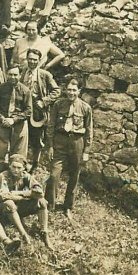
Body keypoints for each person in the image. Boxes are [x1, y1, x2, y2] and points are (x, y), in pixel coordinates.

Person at [45, 78, 93, 221]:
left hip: (76, 143)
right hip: (60, 141)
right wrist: (50, 146)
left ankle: (67, 206)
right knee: (54, 174)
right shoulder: (58, 105)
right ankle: (49, 205)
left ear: (79, 91)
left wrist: (86, 151)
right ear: (65, 90)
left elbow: (89, 131)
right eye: (69, 90)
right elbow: (51, 126)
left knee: (74, 175)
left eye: (74, 90)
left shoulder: (85, 108)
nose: (71, 93)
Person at [0, 154, 52, 250]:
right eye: (13, 167)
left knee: (42, 201)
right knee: (9, 203)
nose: (16, 170)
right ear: (9, 166)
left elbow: (40, 193)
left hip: (18, 206)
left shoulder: (26, 176)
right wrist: (29, 196)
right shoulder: (4, 175)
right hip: (2, 208)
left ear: (23, 168)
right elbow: (5, 196)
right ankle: (24, 234)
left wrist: (20, 193)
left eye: (19, 167)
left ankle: (45, 232)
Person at [21, 48, 61, 173]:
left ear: (39, 61)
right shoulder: (22, 72)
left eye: (35, 60)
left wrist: (43, 101)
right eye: (30, 59)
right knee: (22, 136)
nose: (32, 62)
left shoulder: (45, 75)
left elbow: (57, 91)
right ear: (27, 59)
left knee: (36, 138)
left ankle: (34, 164)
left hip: (37, 111)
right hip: (23, 109)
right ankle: (21, 162)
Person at [0, 66, 32, 174]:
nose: (13, 77)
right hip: (2, 120)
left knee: (19, 149)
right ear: (7, 75)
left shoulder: (25, 91)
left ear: (20, 75)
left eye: (15, 75)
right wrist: (2, 118)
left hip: (19, 122)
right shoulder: (1, 89)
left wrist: (14, 119)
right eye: (10, 74)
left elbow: (28, 110)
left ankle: (17, 171)